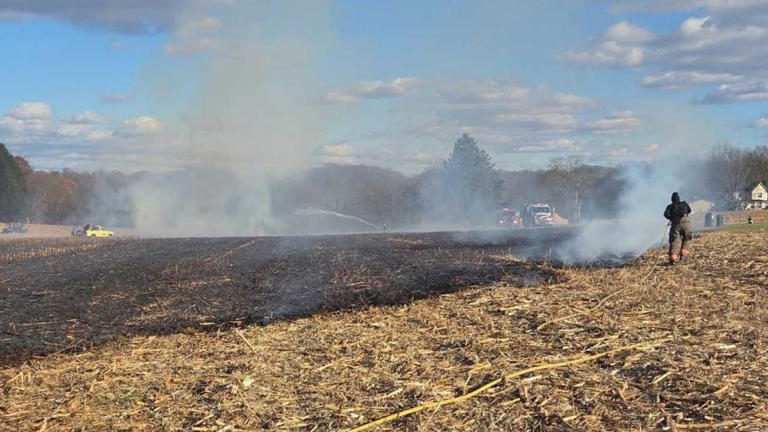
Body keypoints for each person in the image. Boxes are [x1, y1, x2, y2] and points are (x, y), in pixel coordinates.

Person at [664, 192, 692, 265]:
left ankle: (673, 258)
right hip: (686, 222)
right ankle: (684, 255)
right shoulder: (684, 203)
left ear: (672, 199)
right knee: (687, 238)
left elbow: (666, 215)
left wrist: (672, 218)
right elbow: (689, 210)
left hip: (675, 224)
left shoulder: (670, 206)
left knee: (675, 240)